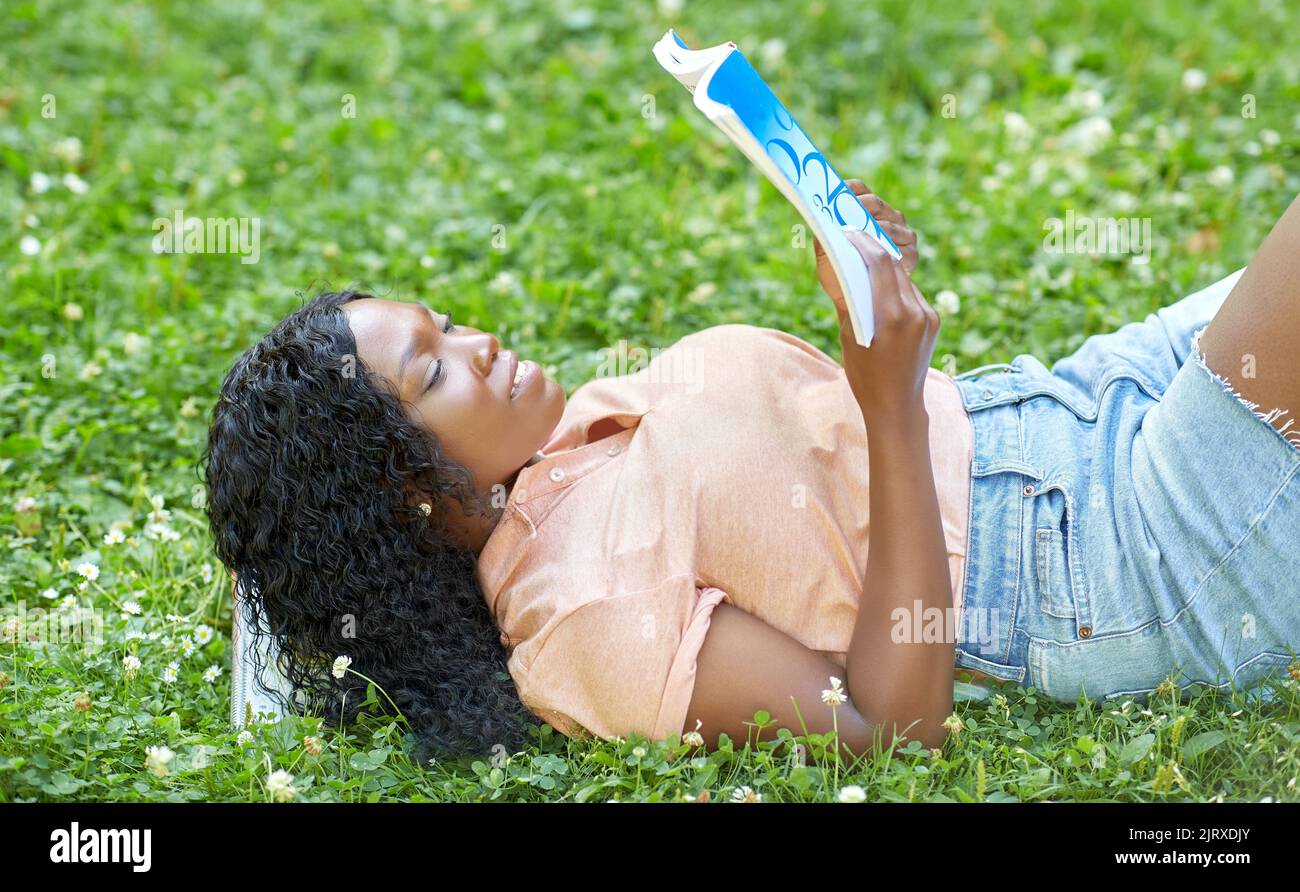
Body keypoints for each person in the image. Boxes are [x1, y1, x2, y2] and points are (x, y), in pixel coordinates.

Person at [206, 182, 1300, 763]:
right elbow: (891, 722)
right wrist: (885, 401)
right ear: (413, 491)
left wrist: (871, 300)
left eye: (442, 322)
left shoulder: (577, 436)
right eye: (436, 368)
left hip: (1085, 399)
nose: (478, 342)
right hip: (1122, 555)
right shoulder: (577, 615)